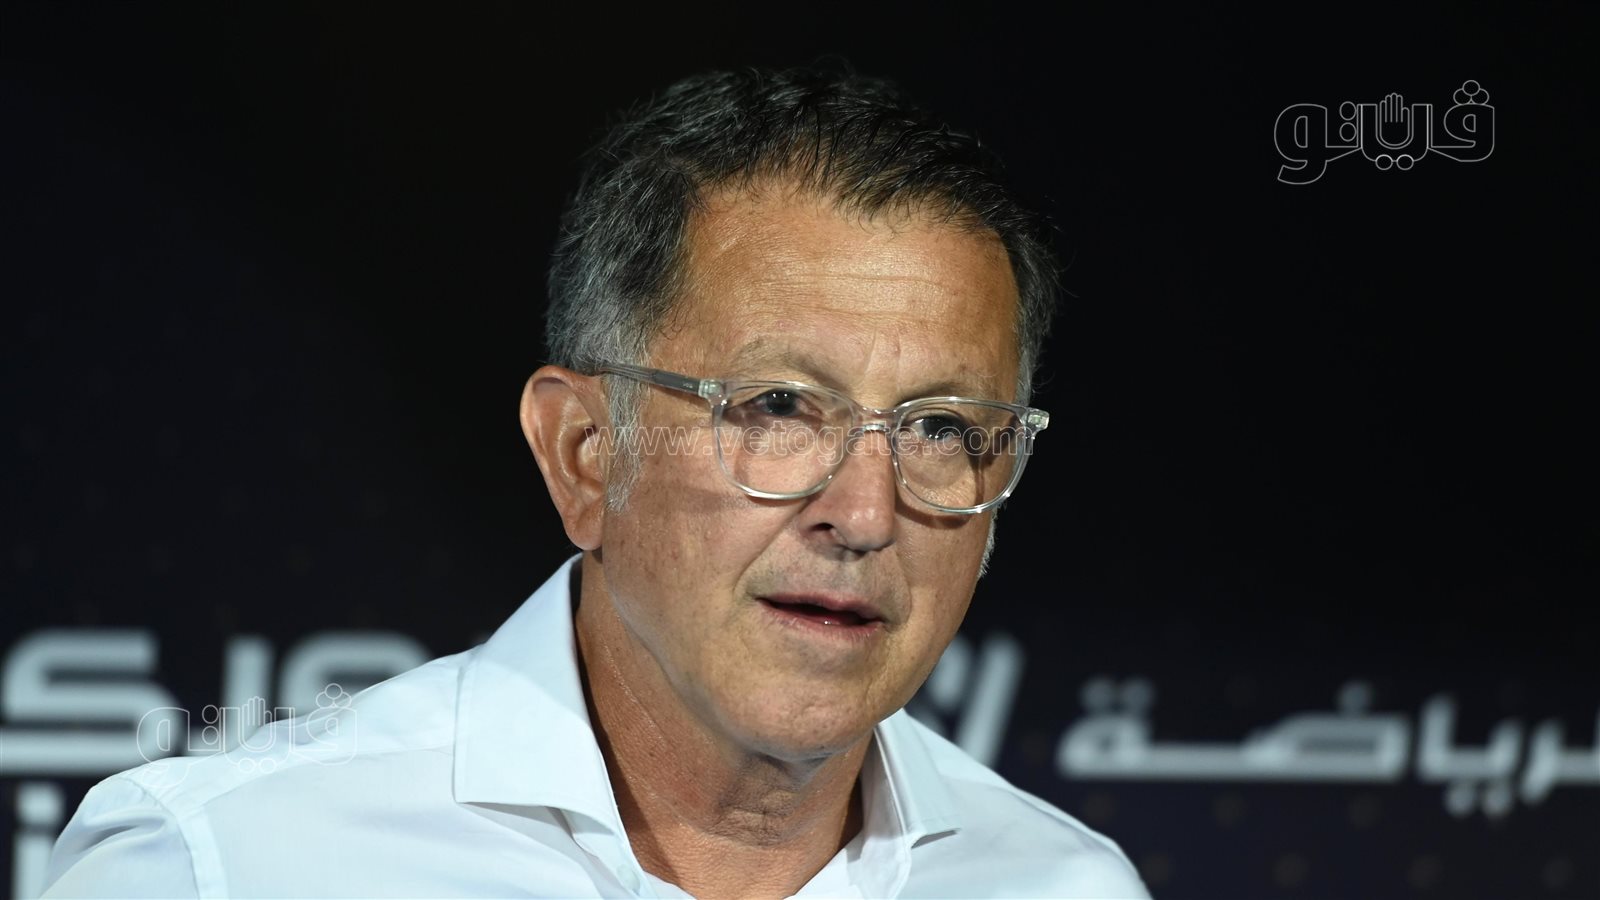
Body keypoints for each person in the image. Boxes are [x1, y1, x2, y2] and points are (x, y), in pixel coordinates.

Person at [41, 65, 1151, 899]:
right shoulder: (225, 862)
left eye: (942, 428)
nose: (863, 516)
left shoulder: (1062, 885)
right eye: (775, 408)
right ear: (582, 453)